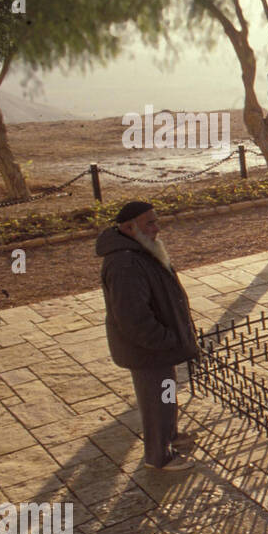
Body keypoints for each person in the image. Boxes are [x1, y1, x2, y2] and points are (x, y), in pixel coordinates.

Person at [96, 201, 199, 472]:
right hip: (148, 351)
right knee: (155, 403)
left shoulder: (140, 250)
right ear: (130, 228)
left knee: (166, 396)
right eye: (150, 223)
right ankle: (158, 457)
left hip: (160, 348)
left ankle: (171, 436)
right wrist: (166, 340)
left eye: (156, 221)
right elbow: (133, 319)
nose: (156, 228)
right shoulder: (125, 264)